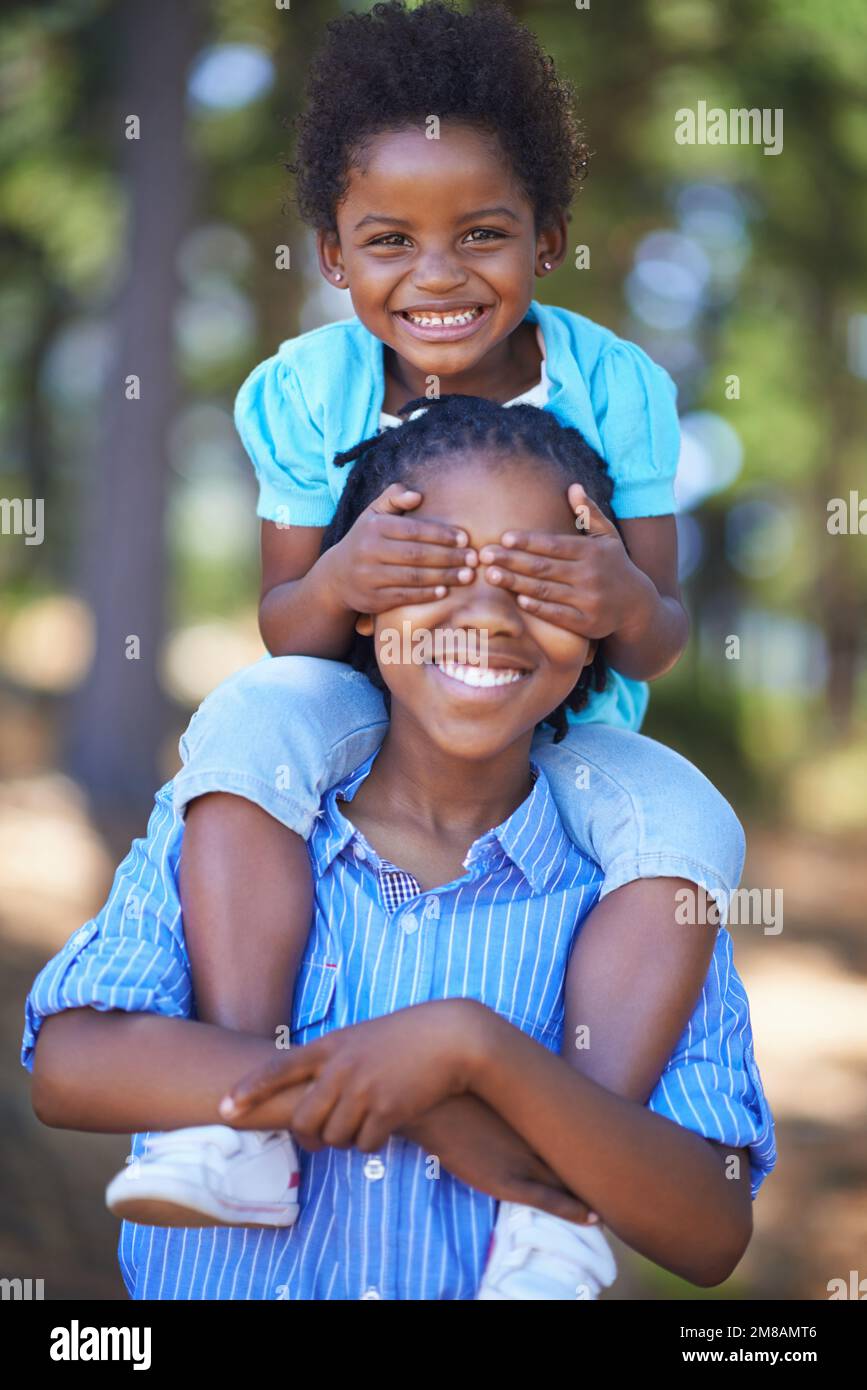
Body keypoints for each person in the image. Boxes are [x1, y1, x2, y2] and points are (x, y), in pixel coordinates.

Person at [24, 399, 775, 1300]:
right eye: (435, 566)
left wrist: (475, 1053)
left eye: (540, 582)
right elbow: (71, 1068)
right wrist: (433, 1110)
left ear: (595, 633)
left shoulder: (642, 896)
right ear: (365, 603)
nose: (489, 615)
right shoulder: (231, 823)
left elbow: (710, 1228)